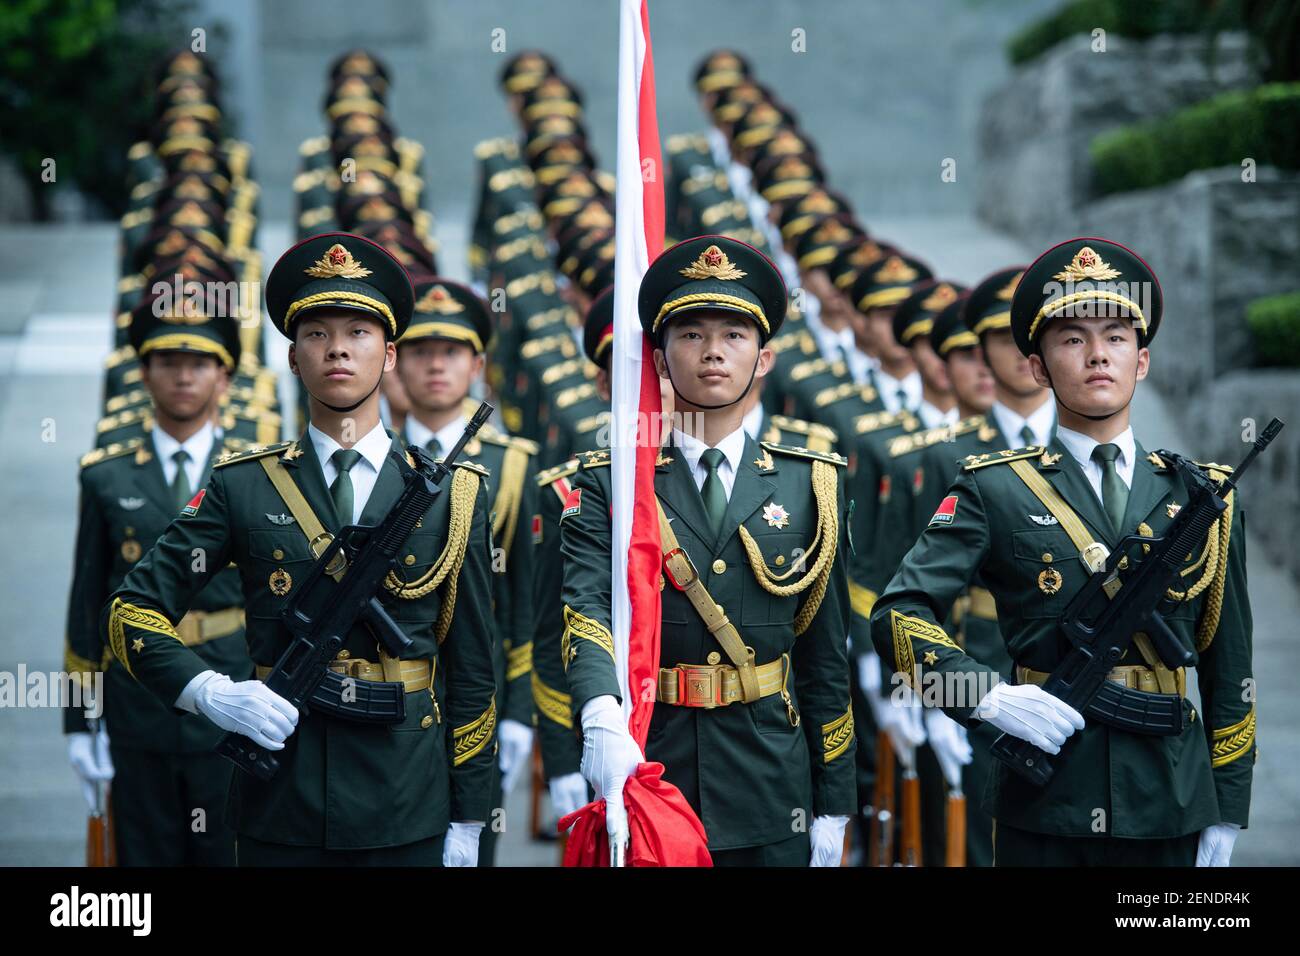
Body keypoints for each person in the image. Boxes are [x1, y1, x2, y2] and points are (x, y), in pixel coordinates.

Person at [102, 232, 499, 866]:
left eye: (359, 332)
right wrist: (207, 691)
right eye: (316, 333)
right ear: (292, 359)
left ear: (390, 355)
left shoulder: (454, 496)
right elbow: (132, 610)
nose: (338, 347)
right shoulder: (243, 484)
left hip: (408, 798)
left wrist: (470, 816)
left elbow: (475, 671)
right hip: (281, 800)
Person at [870, 237, 1253, 866]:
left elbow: (1229, 667)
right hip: (1046, 798)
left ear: (1144, 360)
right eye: (1072, 339)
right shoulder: (993, 486)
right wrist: (981, 697)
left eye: (1116, 337)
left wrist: (1229, 808)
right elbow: (897, 614)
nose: (1098, 355)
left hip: (1172, 798)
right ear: (1039, 367)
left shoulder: (1203, 496)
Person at [560, 236, 857, 866]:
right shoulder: (612, 479)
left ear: (766, 357)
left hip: (771, 773)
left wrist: (834, 800)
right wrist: (597, 713)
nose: (714, 351)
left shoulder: (813, 483)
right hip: (652, 758)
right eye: (691, 334)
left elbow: (825, 658)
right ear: (661, 360)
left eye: (734, 335)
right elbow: (583, 609)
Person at [65, 300, 253, 865]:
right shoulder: (106, 474)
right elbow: (87, 602)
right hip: (136, 695)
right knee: (144, 858)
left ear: (224, 377)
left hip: (230, 687)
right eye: (168, 361)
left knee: (226, 851)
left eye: (199, 363)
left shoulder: (253, 474)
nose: (183, 375)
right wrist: (81, 718)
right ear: (143, 372)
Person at [394, 277, 539, 865]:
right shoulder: (367, 457)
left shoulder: (511, 466)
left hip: (481, 690)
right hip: (395, 688)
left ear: (477, 363)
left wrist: (523, 711)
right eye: (420, 351)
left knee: (472, 849)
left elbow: (528, 597)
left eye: (450, 352)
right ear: (393, 361)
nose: (435, 366)